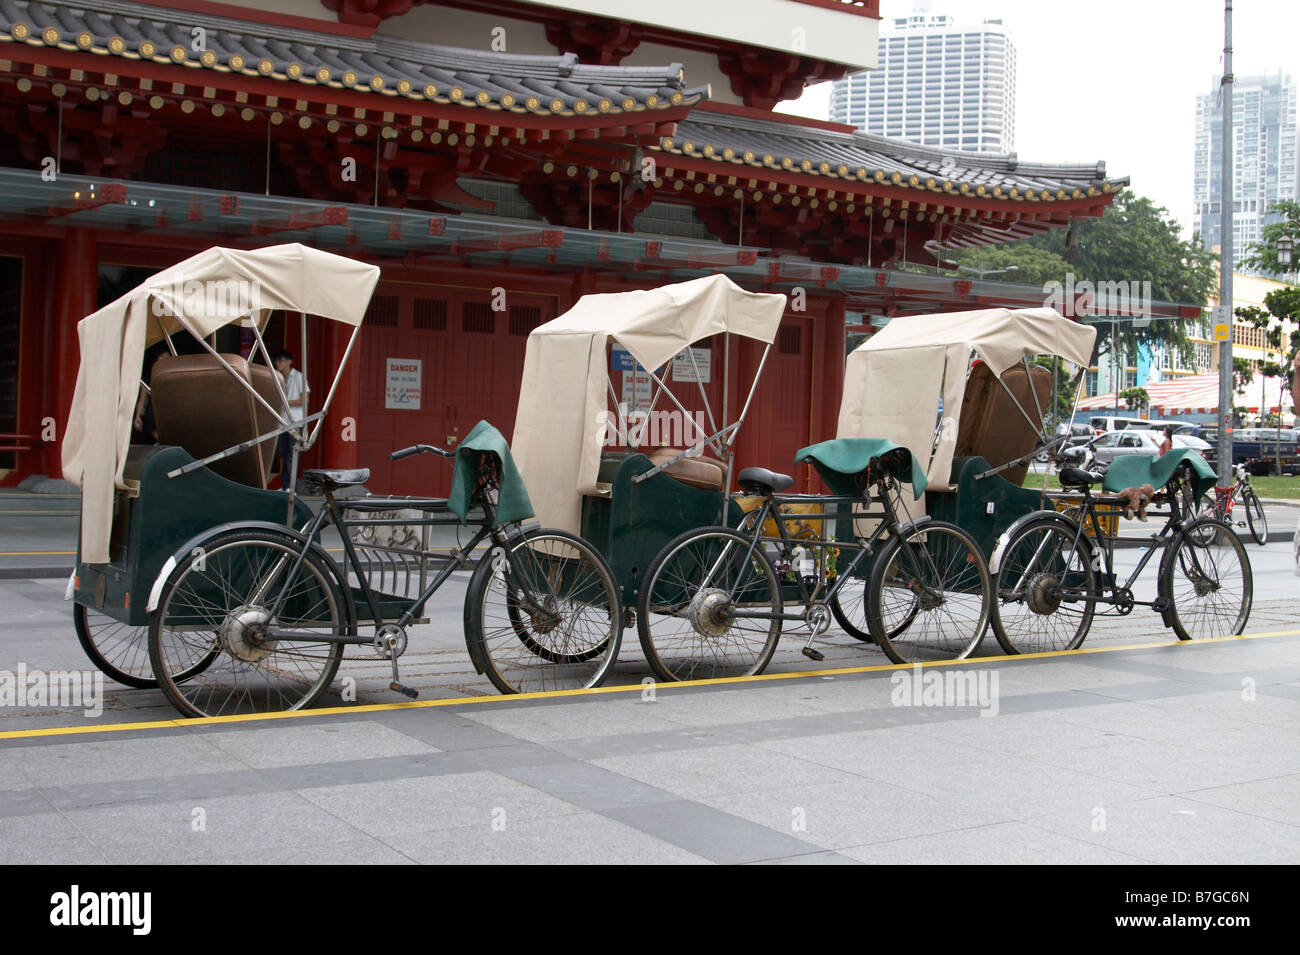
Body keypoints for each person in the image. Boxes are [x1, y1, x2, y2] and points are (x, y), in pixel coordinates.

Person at [272, 349, 309, 490]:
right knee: (282, 452)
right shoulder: (278, 378)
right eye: (276, 361)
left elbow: (305, 399)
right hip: (282, 421)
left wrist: (286, 402)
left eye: (280, 361)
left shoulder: (299, 377)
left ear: (289, 362)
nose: (278, 364)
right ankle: (285, 484)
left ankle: (290, 487)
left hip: (295, 421)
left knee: (291, 455)